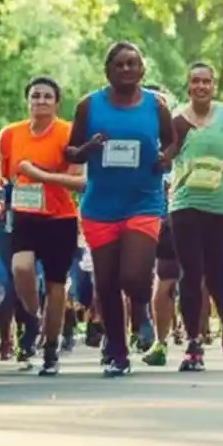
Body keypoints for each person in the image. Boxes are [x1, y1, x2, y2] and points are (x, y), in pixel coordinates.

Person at [65, 41, 174, 376]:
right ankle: (116, 351)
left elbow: (171, 142)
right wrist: (88, 147)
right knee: (107, 282)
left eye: (132, 64)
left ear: (142, 70)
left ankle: (140, 310)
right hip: (100, 205)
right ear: (108, 71)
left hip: (143, 199)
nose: (126, 69)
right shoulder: (89, 106)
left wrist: (164, 159)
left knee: (135, 278)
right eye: (119, 65)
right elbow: (70, 152)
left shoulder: (156, 106)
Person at [165, 62, 223, 370]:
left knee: (217, 275)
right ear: (188, 86)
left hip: (220, 209)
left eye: (207, 81)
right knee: (190, 274)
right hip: (184, 204)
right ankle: (193, 343)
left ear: (213, 86)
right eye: (196, 82)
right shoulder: (176, 118)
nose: (201, 86)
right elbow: (166, 155)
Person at [0, 75, 84, 375]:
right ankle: (33, 317)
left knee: (56, 282)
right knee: (21, 267)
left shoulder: (69, 133)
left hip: (60, 217)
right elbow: (8, 174)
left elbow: (79, 180)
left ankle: (50, 346)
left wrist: (42, 175)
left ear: (57, 103)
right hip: (24, 213)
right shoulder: (10, 134)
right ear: (28, 100)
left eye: (47, 96)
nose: (41, 101)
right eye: (35, 96)